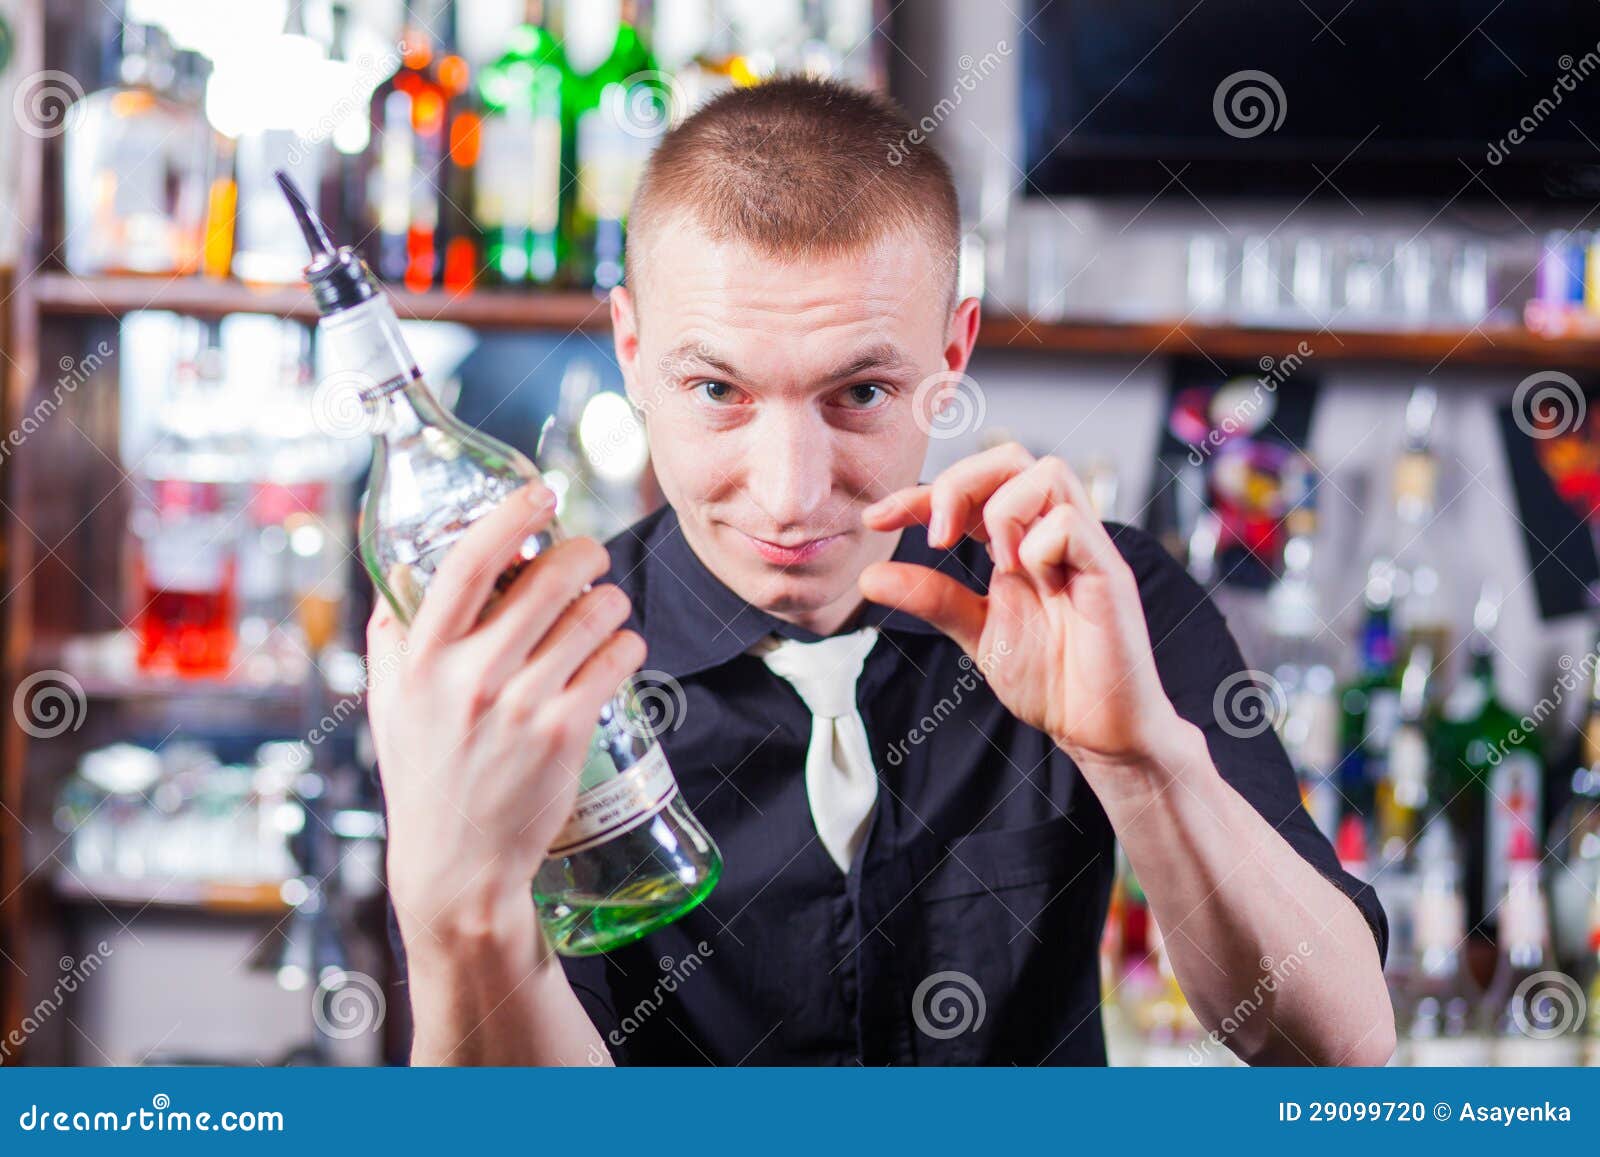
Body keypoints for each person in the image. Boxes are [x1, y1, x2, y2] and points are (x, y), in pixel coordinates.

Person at [366, 77, 1393, 1066]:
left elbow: (1338, 1049)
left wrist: (1142, 762)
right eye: (716, 387)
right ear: (631, 350)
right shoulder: (536, 681)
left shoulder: (1099, 599)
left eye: (858, 390)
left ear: (953, 351)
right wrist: (458, 901)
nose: (790, 494)